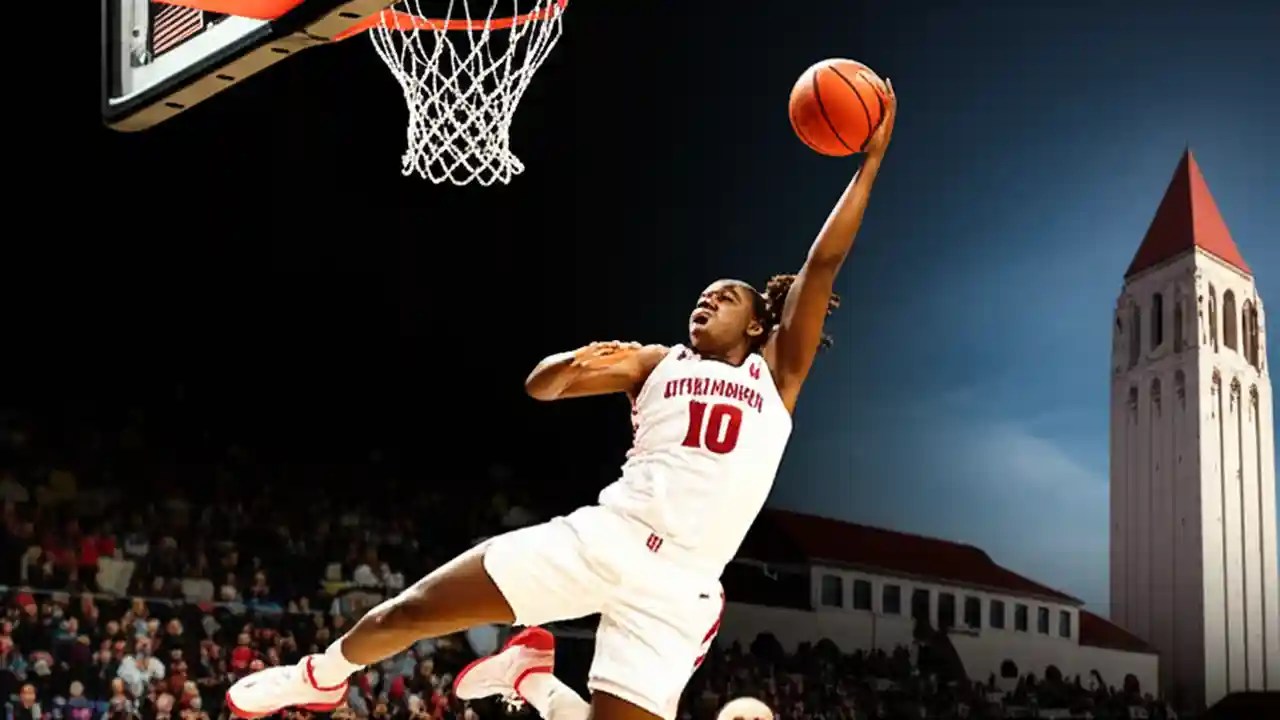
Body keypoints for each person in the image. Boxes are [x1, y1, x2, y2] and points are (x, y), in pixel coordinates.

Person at [225, 82, 897, 720]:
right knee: (416, 608)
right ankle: (318, 676)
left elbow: (823, 263)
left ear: (757, 324)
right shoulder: (654, 362)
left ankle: (534, 682)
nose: (707, 299)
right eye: (702, 293)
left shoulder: (777, 374)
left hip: (681, 587)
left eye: (725, 296)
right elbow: (540, 387)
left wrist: (870, 163)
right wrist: (573, 363)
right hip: (607, 535)